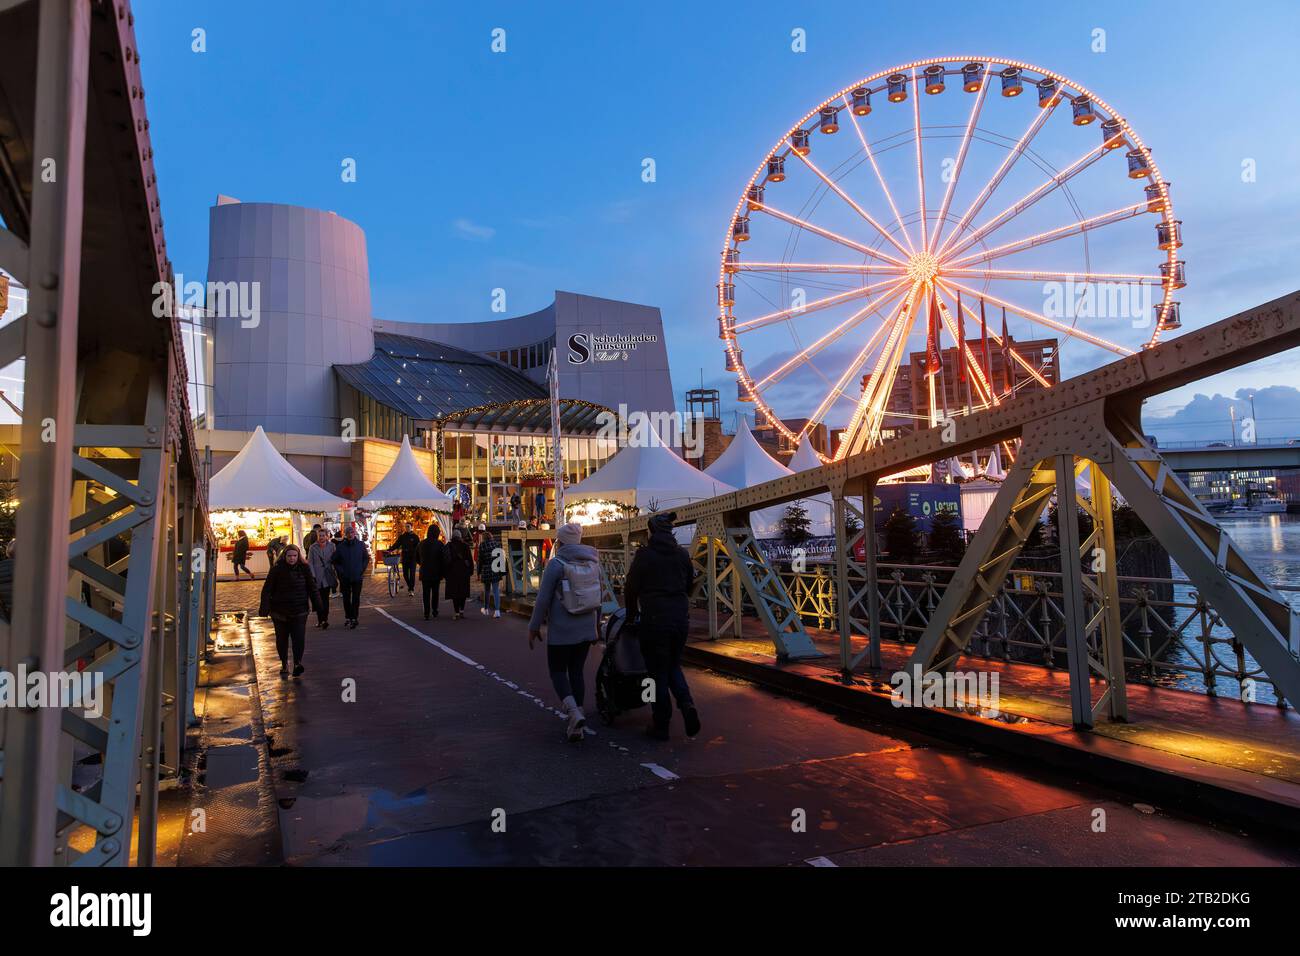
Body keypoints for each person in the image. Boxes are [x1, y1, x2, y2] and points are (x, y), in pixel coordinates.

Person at [624, 511, 700, 740]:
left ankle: (661, 723)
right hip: (679, 619)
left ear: (652, 532)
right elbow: (689, 585)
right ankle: (686, 704)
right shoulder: (681, 554)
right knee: (673, 665)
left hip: (654, 621)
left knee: (655, 673)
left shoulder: (645, 555)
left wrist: (631, 615)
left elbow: (631, 588)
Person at [528, 522, 601, 742]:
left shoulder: (556, 564)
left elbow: (543, 599)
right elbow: (598, 597)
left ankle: (573, 712)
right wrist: (596, 627)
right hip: (586, 627)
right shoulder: (593, 562)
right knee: (577, 670)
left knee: (558, 671)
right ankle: (577, 724)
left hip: (562, 630)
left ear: (560, 541)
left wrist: (534, 626)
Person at [258, 544, 324, 678]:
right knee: (281, 640)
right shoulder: (276, 570)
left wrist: (319, 606)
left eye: (294, 556)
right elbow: (267, 589)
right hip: (279, 612)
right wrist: (264, 608)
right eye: (289, 556)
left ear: (298, 556)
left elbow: (312, 588)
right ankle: (284, 663)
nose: (292, 558)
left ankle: (297, 663)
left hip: (299, 610)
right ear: (285, 556)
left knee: (298, 639)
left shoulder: (304, 568)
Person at [330, 524, 370, 629]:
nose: (350, 535)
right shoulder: (341, 547)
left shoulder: (360, 545)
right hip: (345, 577)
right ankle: (348, 616)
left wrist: (362, 569)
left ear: (354, 533)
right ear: (346, 534)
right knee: (346, 598)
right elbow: (334, 561)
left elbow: (366, 558)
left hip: (357, 576)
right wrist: (341, 571)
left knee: (356, 598)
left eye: (352, 532)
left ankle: (354, 617)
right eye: (348, 533)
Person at [307, 527, 337, 629]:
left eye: (323, 535)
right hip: (317, 576)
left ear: (326, 536)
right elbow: (310, 562)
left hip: (327, 576)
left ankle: (325, 619)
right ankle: (320, 620)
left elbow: (335, 560)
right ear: (317, 536)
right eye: (320, 536)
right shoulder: (313, 547)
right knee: (318, 600)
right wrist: (313, 575)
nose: (321, 537)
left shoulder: (332, 546)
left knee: (325, 599)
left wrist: (335, 571)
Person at [444, 529, 474, 619]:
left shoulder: (448, 546)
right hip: (464, 571)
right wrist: (471, 571)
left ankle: (456, 611)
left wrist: (445, 573)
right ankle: (462, 610)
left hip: (452, 572)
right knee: (463, 591)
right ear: (460, 536)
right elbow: (470, 559)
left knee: (454, 593)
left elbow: (445, 560)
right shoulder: (465, 546)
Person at [419, 523, 447, 620]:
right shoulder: (439, 544)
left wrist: (422, 563)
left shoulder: (422, 543)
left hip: (425, 571)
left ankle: (426, 612)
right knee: (435, 592)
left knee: (425, 593)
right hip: (436, 571)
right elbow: (443, 558)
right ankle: (435, 610)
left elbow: (417, 557)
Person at [476, 526, 503, 618]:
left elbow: (480, 560)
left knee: (487, 590)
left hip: (486, 569)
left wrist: (478, 572)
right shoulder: (496, 544)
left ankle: (486, 609)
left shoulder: (482, 546)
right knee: (496, 591)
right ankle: (497, 611)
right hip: (495, 569)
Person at [395, 521, 421, 595]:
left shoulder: (415, 537)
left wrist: (418, 557)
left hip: (413, 558)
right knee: (405, 574)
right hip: (405, 557)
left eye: (408, 526)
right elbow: (397, 544)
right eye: (405, 527)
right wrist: (390, 549)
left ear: (411, 527)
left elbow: (418, 547)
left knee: (412, 574)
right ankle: (410, 586)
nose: (406, 528)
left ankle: (411, 590)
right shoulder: (402, 537)